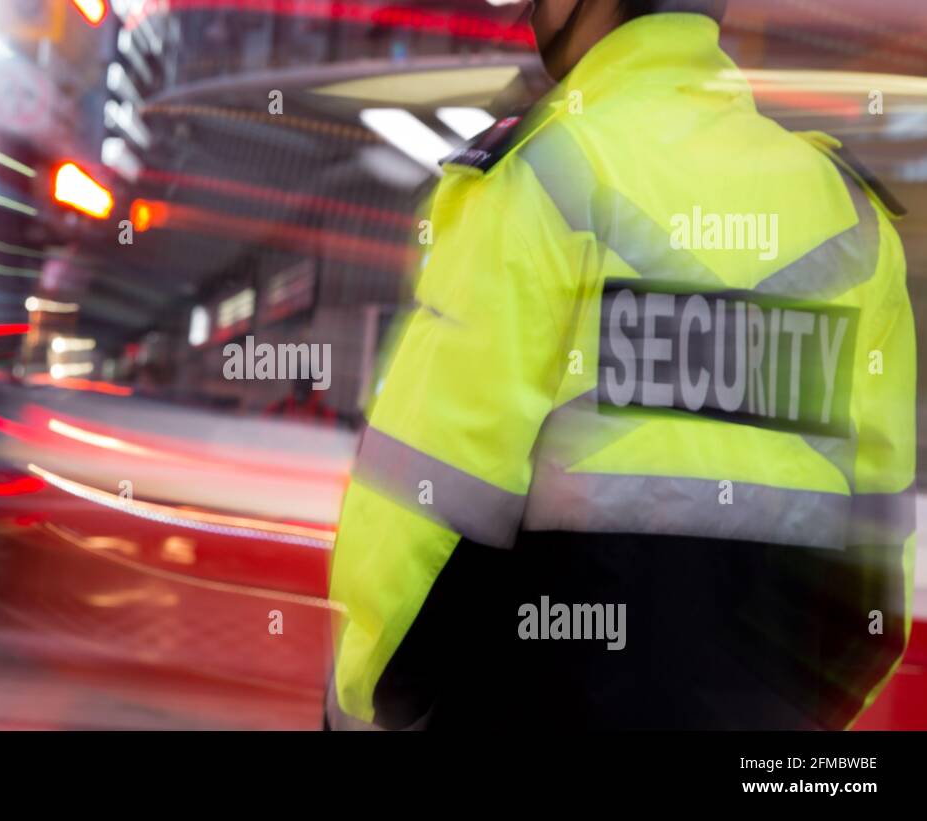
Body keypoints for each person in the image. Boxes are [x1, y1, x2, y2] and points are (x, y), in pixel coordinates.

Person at [325, 0, 915, 730]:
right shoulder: (853, 218)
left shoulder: (538, 178)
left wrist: (362, 704)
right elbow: (872, 594)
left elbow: (419, 518)